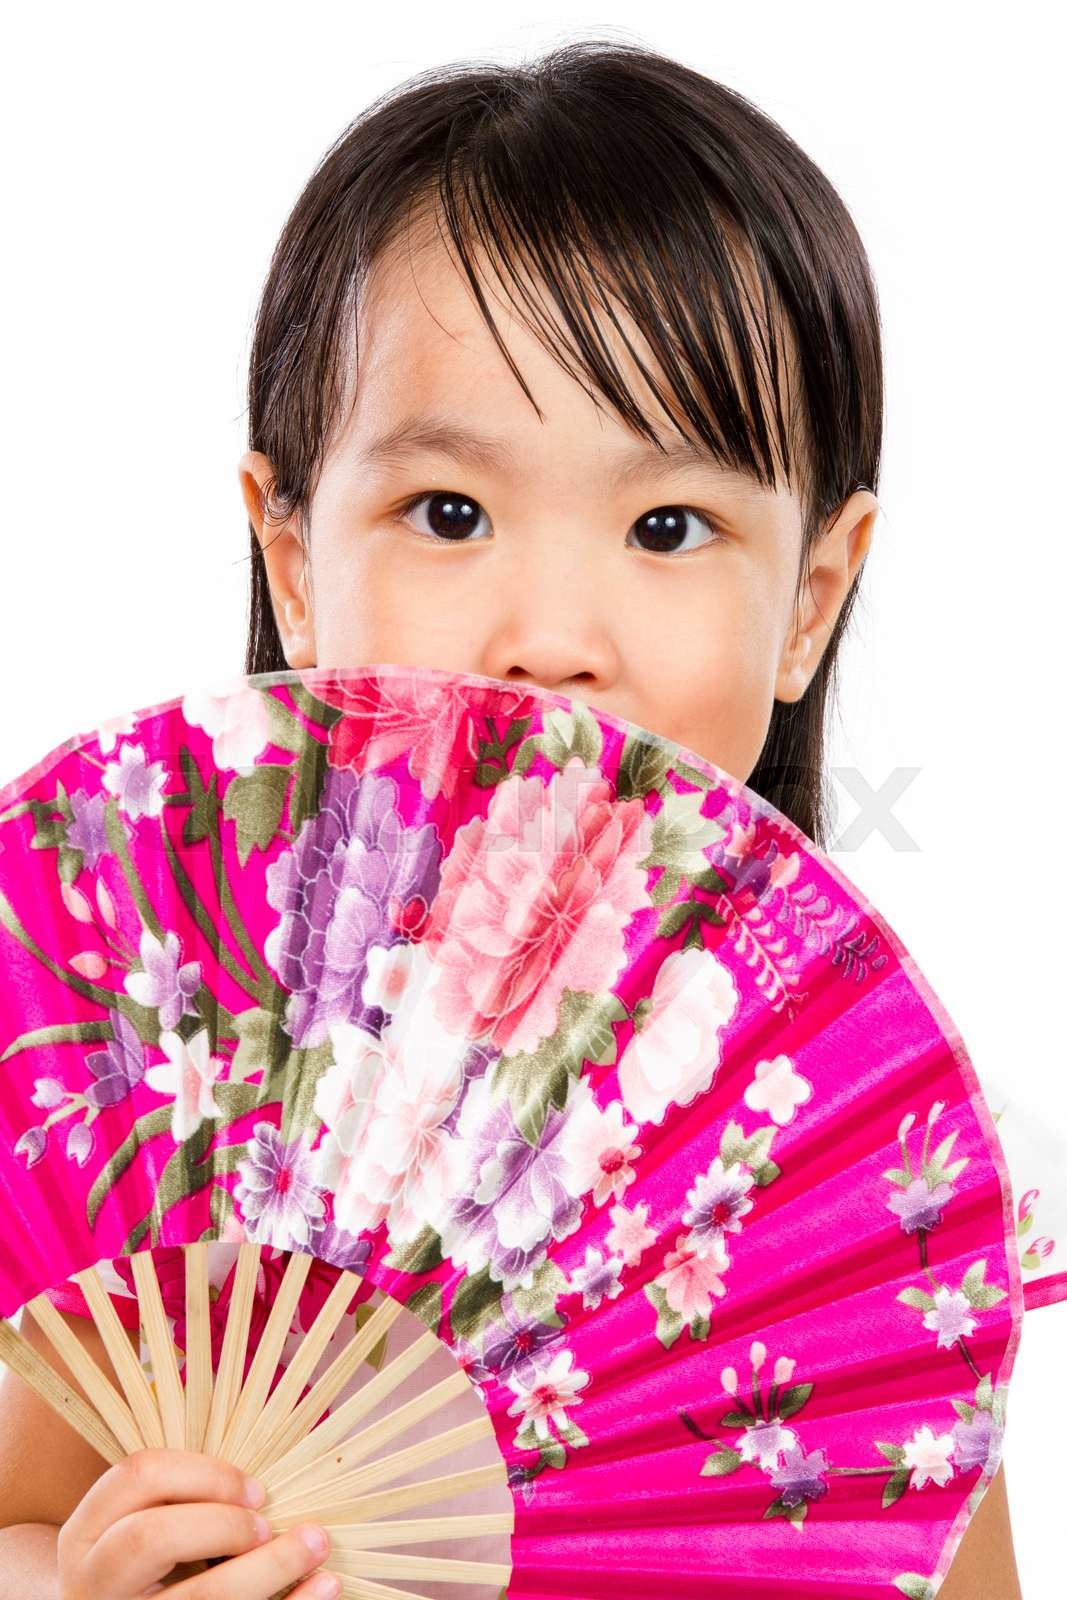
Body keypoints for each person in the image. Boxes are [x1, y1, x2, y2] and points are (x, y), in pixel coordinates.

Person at [0, 33, 1051, 1600]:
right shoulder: (192, 1102)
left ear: (811, 600)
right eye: (450, 514)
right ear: (293, 564)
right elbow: (19, 1518)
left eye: (668, 526)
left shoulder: (836, 1182)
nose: (552, 636)